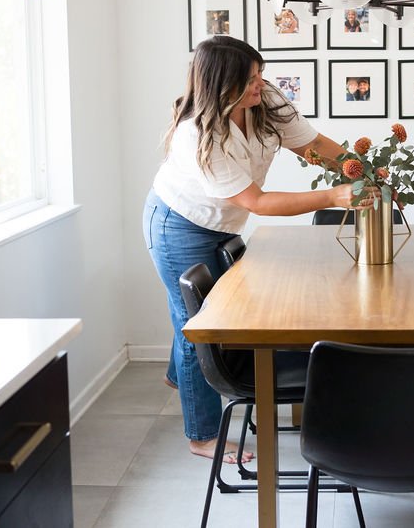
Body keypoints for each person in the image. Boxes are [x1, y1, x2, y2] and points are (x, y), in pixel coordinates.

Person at [144, 36, 366, 464]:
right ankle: (203, 435)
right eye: (248, 80)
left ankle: (179, 378)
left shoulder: (266, 99)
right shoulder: (198, 136)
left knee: (198, 315)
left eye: (259, 73)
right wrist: (334, 197)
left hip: (221, 224)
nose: (259, 85)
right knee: (199, 329)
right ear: (219, 85)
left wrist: (363, 170)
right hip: (179, 225)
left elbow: (312, 146)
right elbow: (258, 202)